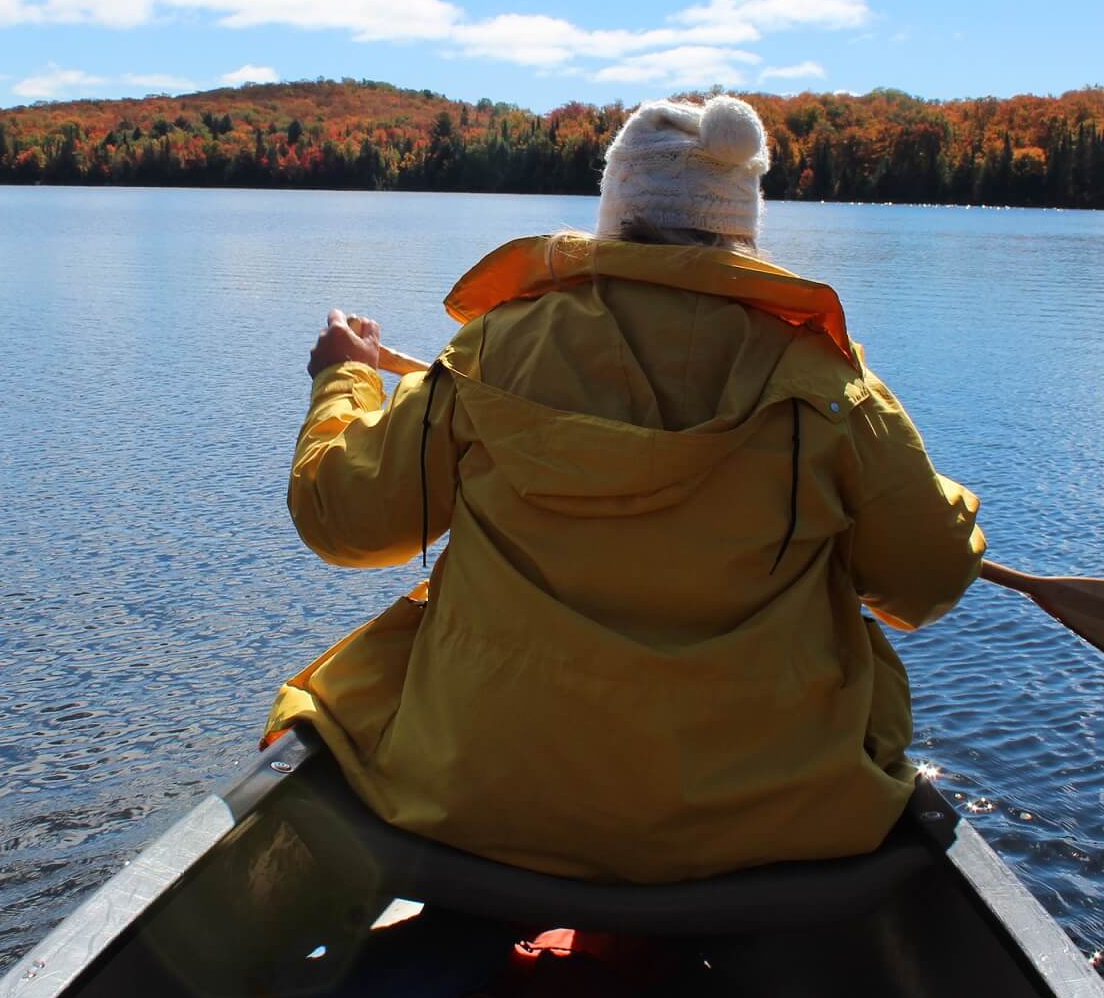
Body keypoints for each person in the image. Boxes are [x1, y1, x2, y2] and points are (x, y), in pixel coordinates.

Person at [263, 95, 984, 884]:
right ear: (741, 225)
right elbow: (923, 585)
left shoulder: (492, 352)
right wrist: (916, 499)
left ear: (618, 211)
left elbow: (346, 521)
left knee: (348, 704)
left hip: (486, 794)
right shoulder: (830, 388)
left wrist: (347, 379)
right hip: (775, 817)